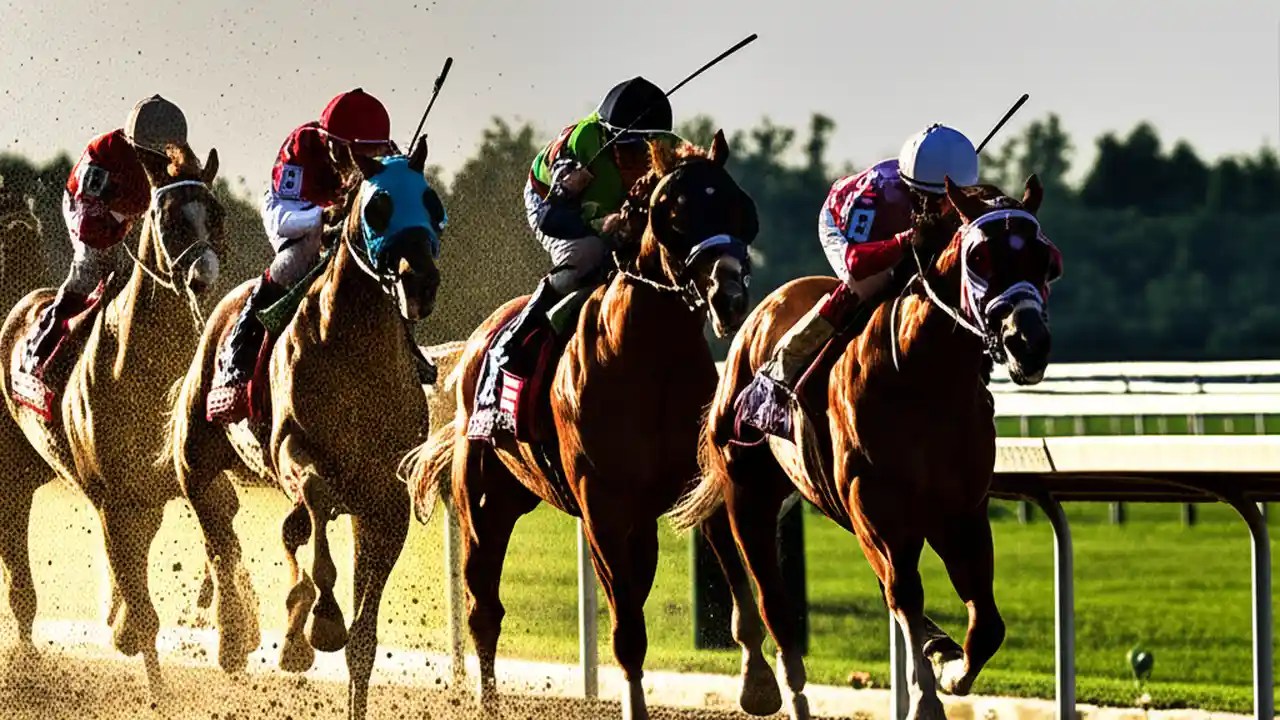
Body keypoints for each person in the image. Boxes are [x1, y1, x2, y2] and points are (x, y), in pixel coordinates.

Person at [205, 88, 403, 423]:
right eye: (352, 154)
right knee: (296, 259)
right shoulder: (300, 149)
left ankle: (406, 356)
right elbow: (286, 217)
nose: (360, 163)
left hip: (349, 223)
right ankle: (238, 361)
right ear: (331, 144)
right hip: (293, 213)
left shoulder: (388, 153)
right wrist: (322, 216)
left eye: (370, 153)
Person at [753, 123, 981, 395]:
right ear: (913, 190)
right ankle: (785, 365)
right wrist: (903, 241)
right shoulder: (879, 196)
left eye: (952, 199)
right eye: (935, 200)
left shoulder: (949, 191)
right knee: (868, 286)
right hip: (845, 227)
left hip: (897, 221)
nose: (945, 207)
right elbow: (856, 263)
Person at [490, 76, 682, 373]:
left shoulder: (670, 154)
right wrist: (604, 227)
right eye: (627, 150)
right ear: (607, 138)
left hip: (609, 207)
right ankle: (518, 335)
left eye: (646, 152)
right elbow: (552, 220)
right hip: (551, 203)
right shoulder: (581, 151)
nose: (637, 162)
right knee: (587, 254)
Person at [22, 95, 189, 375]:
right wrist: (114, 237)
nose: (155, 165)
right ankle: (39, 349)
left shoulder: (171, 157)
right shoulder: (106, 152)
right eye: (148, 157)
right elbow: (90, 219)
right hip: (87, 206)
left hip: (131, 214)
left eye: (160, 158)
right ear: (135, 145)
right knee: (91, 267)